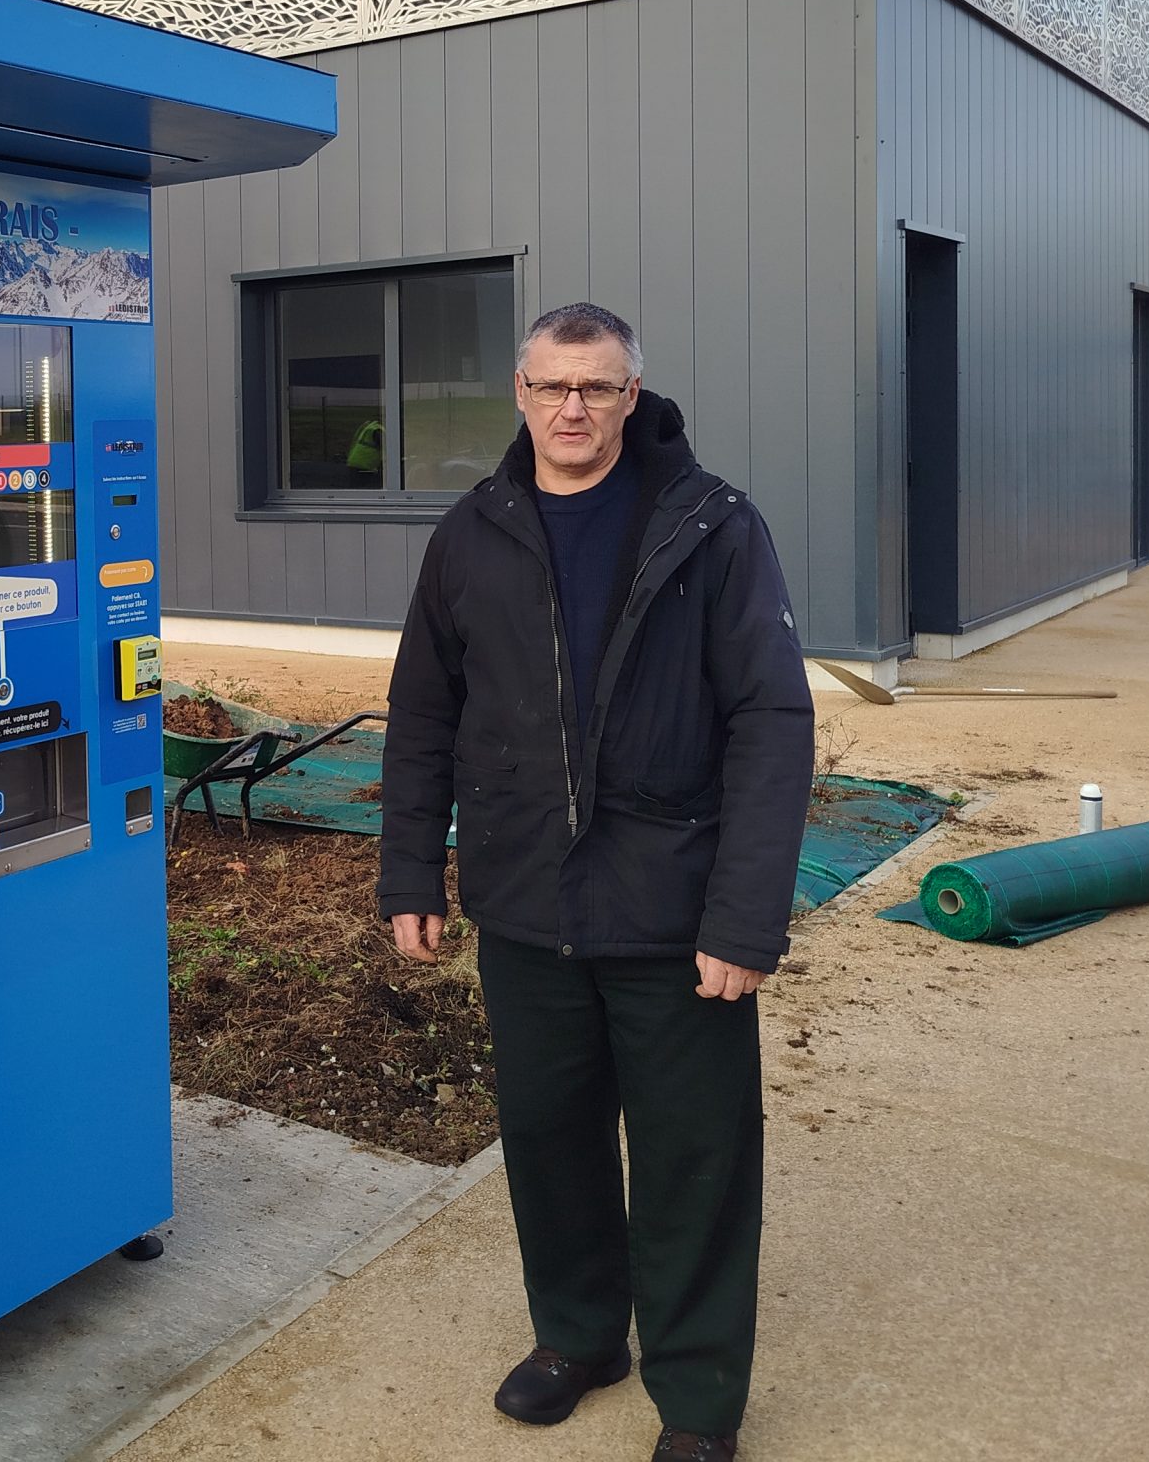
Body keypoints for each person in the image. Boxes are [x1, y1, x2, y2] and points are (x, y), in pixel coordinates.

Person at [379, 301, 813, 1462]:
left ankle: (698, 1396)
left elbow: (771, 722)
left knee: (693, 1159)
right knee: (549, 1139)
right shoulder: (472, 532)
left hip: (673, 909)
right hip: (525, 903)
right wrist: (411, 867)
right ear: (519, 393)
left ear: (632, 395)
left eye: (597, 387)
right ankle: (578, 1337)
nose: (572, 408)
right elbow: (422, 715)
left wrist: (744, 918)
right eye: (551, 386)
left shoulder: (711, 528)